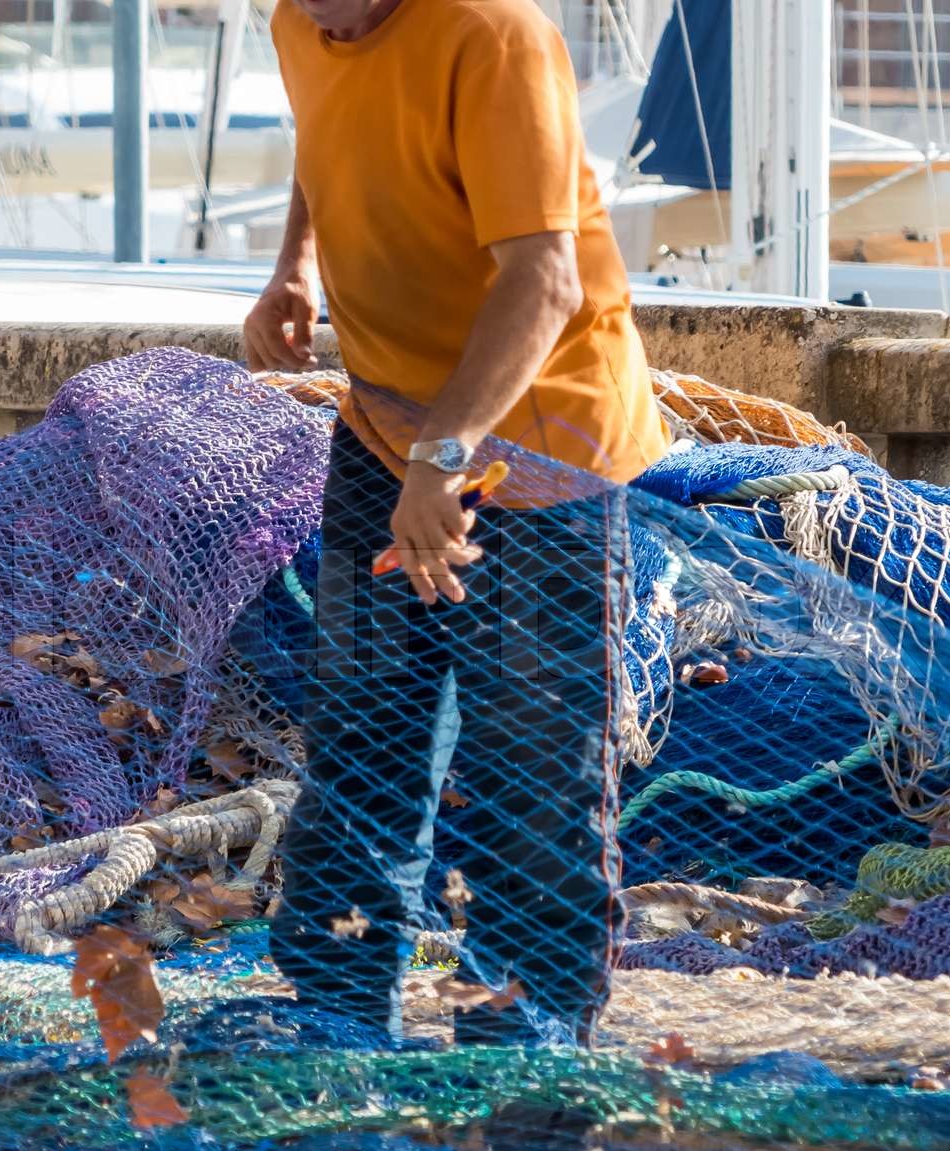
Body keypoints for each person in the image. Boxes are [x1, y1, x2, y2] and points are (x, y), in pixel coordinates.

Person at [243, 0, 669, 1047]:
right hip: (388, 429)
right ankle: (338, 1001)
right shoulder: (302, 23)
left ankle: (526, 1025)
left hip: (538, 454)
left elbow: (545, 278)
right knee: (360, 723)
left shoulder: (493, 37)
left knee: (531, 760)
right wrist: (293, 263)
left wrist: (447, 458)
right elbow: (326, 138)